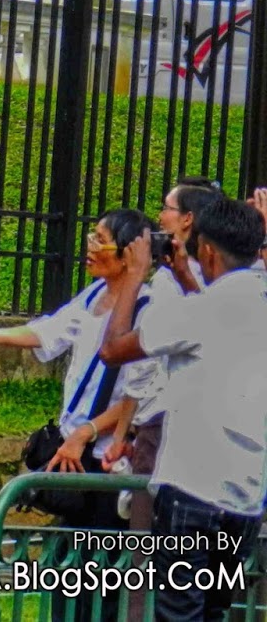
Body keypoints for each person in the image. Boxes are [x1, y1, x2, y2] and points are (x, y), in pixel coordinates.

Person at [0, 209, 151, 622]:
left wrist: (90, 432)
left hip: (110, 460)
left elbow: (141, 392)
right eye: (91, 237)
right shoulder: (93, 296)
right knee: (66, 569)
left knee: (103, 576)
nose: (90, 248)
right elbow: (49, 331)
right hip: (72, 451)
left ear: (128, 254)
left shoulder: (148, 308)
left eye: (100, 240)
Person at [100, 199, 267, 622]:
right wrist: (186, 277)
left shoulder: (195, 312)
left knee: (177, 615)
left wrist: (136, 275)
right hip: (245, 500)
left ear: (207, 249)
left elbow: (113, 348)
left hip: (192, 492)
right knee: (213, 613)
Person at [108, 177, 223, 537]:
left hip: (164, 420)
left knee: (150, 545)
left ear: (187, 219)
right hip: (207, 428)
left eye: (166, 209)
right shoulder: (228, 280)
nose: (159, 217)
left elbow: (123, 353)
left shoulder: (170, 283)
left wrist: (135, 274)